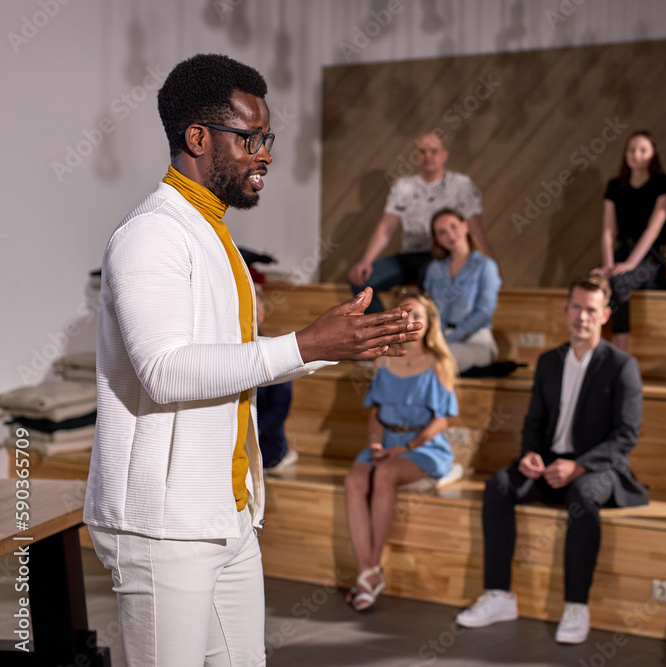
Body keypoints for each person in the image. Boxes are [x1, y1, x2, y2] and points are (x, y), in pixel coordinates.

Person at [84, 54, 421, 667]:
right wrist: (306, 346)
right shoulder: (151, 235)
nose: (265, 153)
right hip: (166, 525)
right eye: (251, 138)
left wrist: (337, 347)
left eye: (268, 137)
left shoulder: (216, 235)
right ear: (198, 137)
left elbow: (235, 360)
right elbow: (166, 372)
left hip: (229, 510)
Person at [455, 275, 648, 645]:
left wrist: (580, 466)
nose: (582, 317)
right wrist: (529, 454)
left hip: (598, 467)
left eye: (591, 310)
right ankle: (499, 595)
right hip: (549, 463)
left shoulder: (622, 365)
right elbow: (534, 422)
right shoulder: (548, 361)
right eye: (576, 307)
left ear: (605, 315)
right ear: (566, 309)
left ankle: (576, 605)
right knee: (497, 485)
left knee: (583, 496)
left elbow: (626, 436)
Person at [343, 292, 459, 611]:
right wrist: (376, 443)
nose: (409, 320)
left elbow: (442, 420)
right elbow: (376, 412)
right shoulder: (384, 358)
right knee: (354, 481)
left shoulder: (440, 362)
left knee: (385, 475)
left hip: (422, 446)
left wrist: (406, 447)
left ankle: (372, 567)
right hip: (387, 442)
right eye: (403, 314)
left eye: (416, 315)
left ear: (430, 321)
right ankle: (369, 572)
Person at [348, 133, 492, 313]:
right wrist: (366, 261)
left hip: (444, 256)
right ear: (416, 157)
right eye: (422, 152)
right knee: (362, 283)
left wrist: (489, 265)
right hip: (411, 255)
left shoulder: (461, 184)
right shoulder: (403, 187)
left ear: (444, 155)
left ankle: (431, 336)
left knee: (433, 278)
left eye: (433, 151)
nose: (428, 156)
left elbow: (476, 228)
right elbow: (387, 227)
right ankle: (383, 335)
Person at [591, 130, 666, 351]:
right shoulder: (615, 185)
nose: (636, 154)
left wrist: (630, 265)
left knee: (621, 283)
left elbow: (653, 230)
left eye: (642, 150)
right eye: (631, 149)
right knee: (596, 282)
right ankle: (593, 346)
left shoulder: (664, 184)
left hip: (652, 254)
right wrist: (608, 265)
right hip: (623, 249)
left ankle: (621, 353)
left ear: (653, 155)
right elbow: (608, 230)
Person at [423, 208, 502, 373]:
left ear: (465, 226)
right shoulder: (434, 269)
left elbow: (484, 312)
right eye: (442, 232)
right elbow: (428, 308)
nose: (450, 234)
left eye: (453, 226)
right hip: (438, 339)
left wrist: (449, 338)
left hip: (476, 341)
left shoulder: (485, 266)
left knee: (441, 358)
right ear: (437, 239)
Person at [254, 284, 297, 475]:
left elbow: (279, 409)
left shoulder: (275, 353)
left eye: (250, 310)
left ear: (261, 315)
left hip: (264, 441)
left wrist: (253, 432)